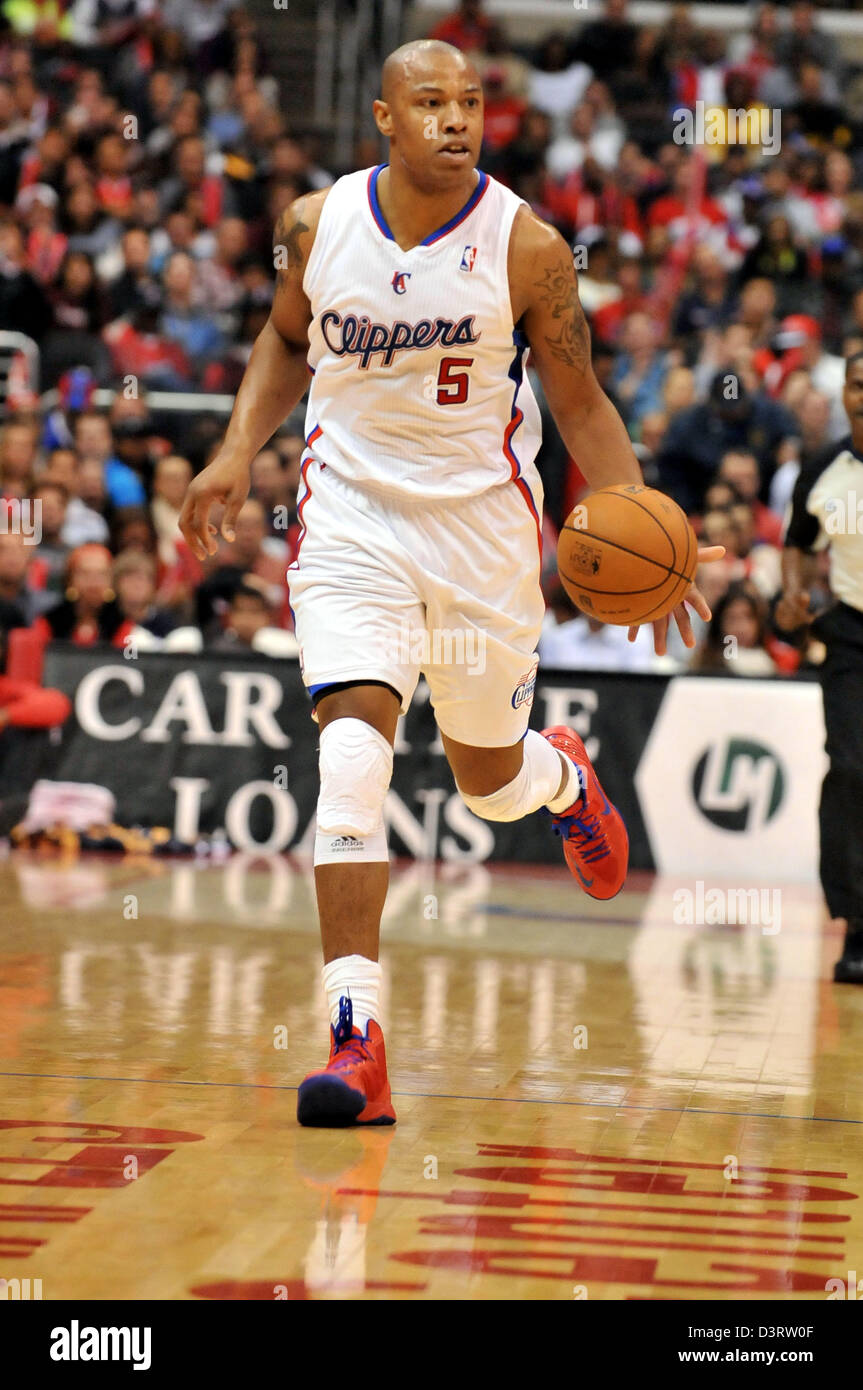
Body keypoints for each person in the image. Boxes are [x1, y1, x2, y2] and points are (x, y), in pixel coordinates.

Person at [180, 39, 720, 1129]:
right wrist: (239, 447)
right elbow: (285, 341)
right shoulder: (312, 224)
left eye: (469, 101)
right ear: (383, 116)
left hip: (480, 534)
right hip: (350, 522)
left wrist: (648, 526)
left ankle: (560, 777)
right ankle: (355, 1038)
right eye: (429, 102)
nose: (454, 118)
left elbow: (577, 405)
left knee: (486, 782)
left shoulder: (527, 247)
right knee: (347, 759)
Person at [776, 351, 863, 984]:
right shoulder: (823, 469)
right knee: (852, 768)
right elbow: (796, 548)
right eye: (858, 384)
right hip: (850, 633)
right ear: (847, 396)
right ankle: (855, 926)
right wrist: (793, 597)